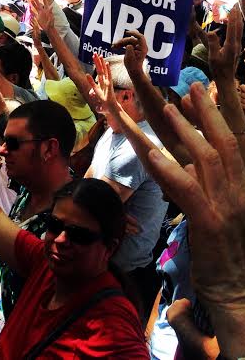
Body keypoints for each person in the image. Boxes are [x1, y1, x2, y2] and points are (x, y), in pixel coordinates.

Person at [0, 87, 148, 360]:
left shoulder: (112, 329)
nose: (60, 239)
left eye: (79, 235)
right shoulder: (43, 258)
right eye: (55, 225)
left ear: (109, 247)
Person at [0, 100, 77, 358]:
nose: (4, 150)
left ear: (49, 148)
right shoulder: (26, 190)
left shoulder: (75, 217)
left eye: (14, 143)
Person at [85, 55, 167, 318]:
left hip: (120, 278)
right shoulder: (114, 128)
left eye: (99, 84)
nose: (91, 90)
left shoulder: (137, 146)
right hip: (100, 264)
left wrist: (98, 205)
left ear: (126, 97)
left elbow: (87, 206)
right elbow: (86, 188)